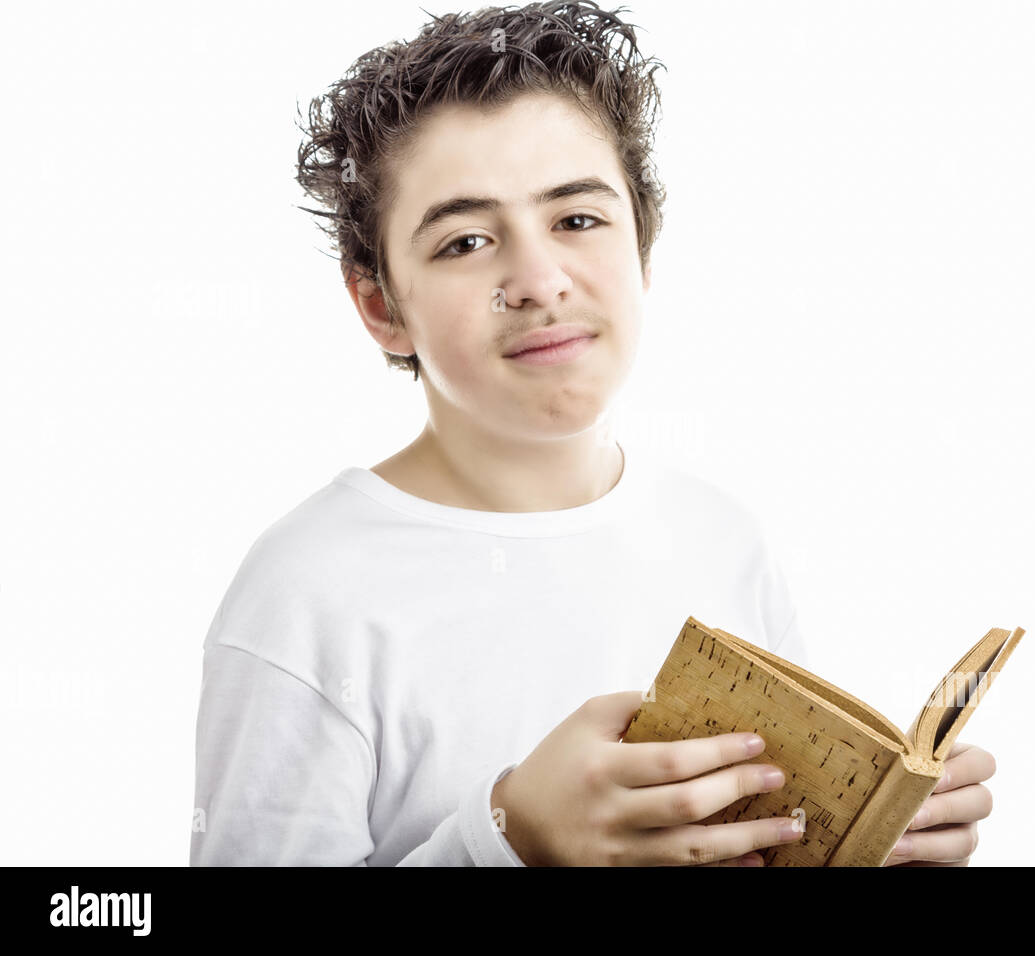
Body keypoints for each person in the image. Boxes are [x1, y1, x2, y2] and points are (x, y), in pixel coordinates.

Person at [189, 0, 994, 867]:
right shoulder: (306, 594)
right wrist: (506, 840)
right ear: (383, 306)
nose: (537, 281)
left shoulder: (723, 537)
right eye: (465, 241)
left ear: (642, 250)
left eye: (577, 219)